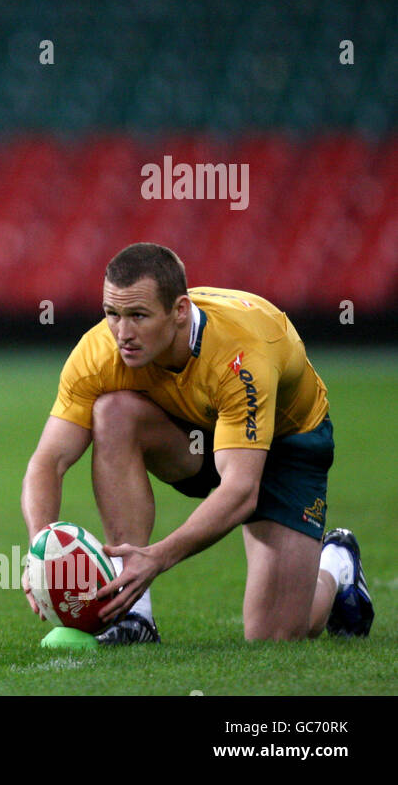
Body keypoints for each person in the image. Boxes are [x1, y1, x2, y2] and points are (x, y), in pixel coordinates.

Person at [20, 242, 373, 643]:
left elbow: (240, 490)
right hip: (194, 436)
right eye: (112, 314)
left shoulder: (244, 356)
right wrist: (39, 550)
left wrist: (159, 556)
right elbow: (47, 461)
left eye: (138, 316)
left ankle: (336, 562)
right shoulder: (100, 351)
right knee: (113, 413)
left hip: (287, 443)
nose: (122, 333)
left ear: (180, 311)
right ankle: (133, 614)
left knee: (274, 635)